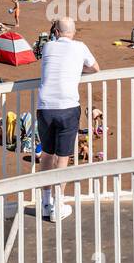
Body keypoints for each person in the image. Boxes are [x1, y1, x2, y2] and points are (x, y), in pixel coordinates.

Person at [36, 16, 99, 222]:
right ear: (74, 32)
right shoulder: (80, 47)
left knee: (46, 154)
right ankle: (58, 204)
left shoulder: (48, 47)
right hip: (67, 107)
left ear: (56, 32)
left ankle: (45, 203)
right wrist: (77, 70)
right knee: (62, 157)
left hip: (45, 106)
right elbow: (95, 68)